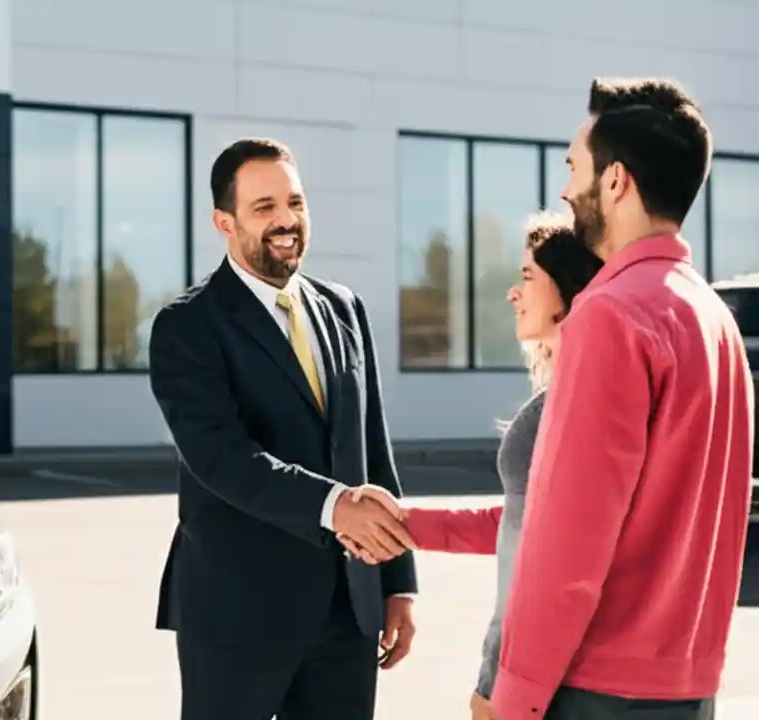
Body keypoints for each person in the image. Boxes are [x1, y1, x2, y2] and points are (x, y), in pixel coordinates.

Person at [489, 77, 752, 719]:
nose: (565, 188)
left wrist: (516, 697)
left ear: (616, 182)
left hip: (596, 690)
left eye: (575, 167)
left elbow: (569, 540)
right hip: (689, 687)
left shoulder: (610, 315)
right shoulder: (715, 320)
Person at [147, 137, 419, 720]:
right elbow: (221, 457)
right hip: (236, 612)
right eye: (264, 207)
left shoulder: (345, 308)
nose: (287, 220)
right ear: (225, 222)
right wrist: (334, 505)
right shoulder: (187, 326)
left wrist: (398, 581)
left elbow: (372, 448)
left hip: (349, 608)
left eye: (295, 202)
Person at [340, 214, 604, 720]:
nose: (512, 293)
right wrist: (405, 524)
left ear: (568, 288)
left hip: (537, 679)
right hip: (515, 669)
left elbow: (569, 554)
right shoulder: (564, 391)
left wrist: (519, 690)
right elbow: (519, 524)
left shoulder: (579, 399)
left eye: (528, 277)